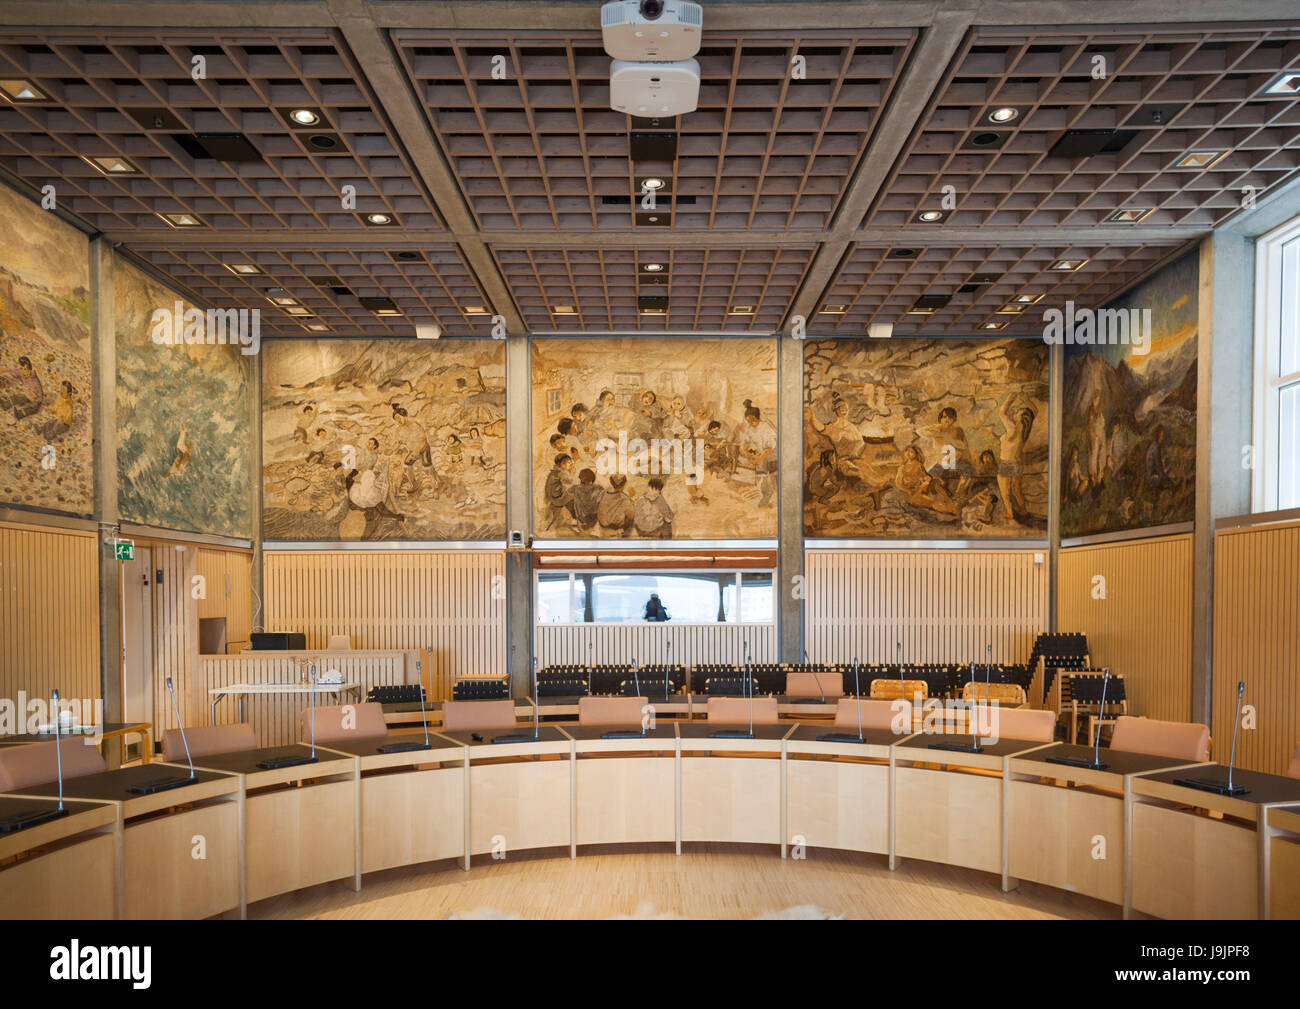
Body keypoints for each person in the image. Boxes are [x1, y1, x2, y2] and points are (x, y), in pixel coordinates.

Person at [997, 393, 1035, 524]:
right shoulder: (1025, 431)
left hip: (1006, 463)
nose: (1016, 411)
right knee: (1017, 489)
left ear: (1021, 417)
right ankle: (1023, 511)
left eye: (1018, 411)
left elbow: (1001, 413)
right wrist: (1026, 399)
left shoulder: (1012, 428)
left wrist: (1010, 398)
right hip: (1017, 463)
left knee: (1005, 491)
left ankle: (1010, 512)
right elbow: (1034, 411)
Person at [736, 399, 777, 507]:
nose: (751, 423)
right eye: (748, 421)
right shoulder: (749, 428)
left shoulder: (766, 428)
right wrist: (746, 451)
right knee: (761, 479)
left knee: (774, 479)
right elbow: (744, 442)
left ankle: (778, 501)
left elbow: (769, 448)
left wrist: (759, 459)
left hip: (771, 456)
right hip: (760, 457)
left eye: (753, 420)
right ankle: (766, 495)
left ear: (758, 417)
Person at [543, 453, 576, 529]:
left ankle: (572, 517)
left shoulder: (555, 471)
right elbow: (570, 481)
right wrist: (573, 474)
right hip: (557, 497)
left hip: (553, 496)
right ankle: (574, 518)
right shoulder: (562, 472)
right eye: (569, 462)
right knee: (573, 497)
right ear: (562, 464)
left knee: (570, 495)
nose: (571, 464)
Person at [1085, 392, 1106, 489]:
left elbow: (1102, 422)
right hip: (1093, 437)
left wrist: (1100, 426)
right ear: (1093, 400)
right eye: (1096, 400)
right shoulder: (1090, 411)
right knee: (1093, 457)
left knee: (1101, 456)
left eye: (1098, 400)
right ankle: (1093, 480)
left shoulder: (1099, 410)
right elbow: (1090, 426)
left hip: (1100, 435)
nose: (1097, 402)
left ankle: (1100, 479)